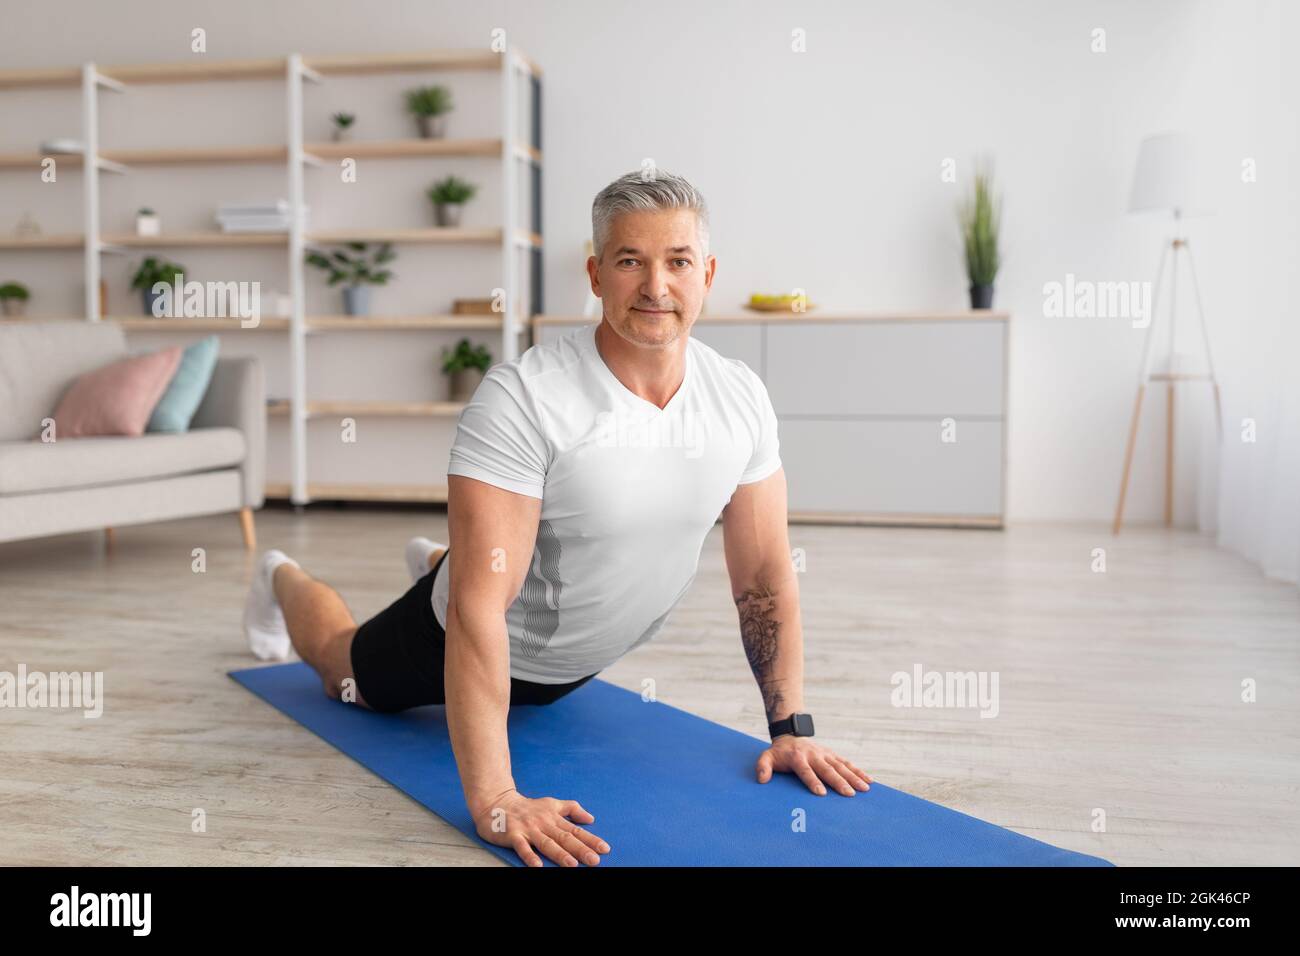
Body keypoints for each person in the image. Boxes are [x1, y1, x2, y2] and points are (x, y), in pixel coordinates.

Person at [242, 169, 872, 867]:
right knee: (345, 673)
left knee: (498, 558)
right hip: (481, 631)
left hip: (575, 642)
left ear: (708, 274)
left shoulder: (739, 398)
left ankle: (443, 558)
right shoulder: (525, 398)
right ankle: (280, 576)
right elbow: (482, 610)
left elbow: (761, 577)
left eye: (678, 262)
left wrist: (790, 727)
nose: (656, 287)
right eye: (631, 261)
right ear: (596, 274)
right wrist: (497, 800)